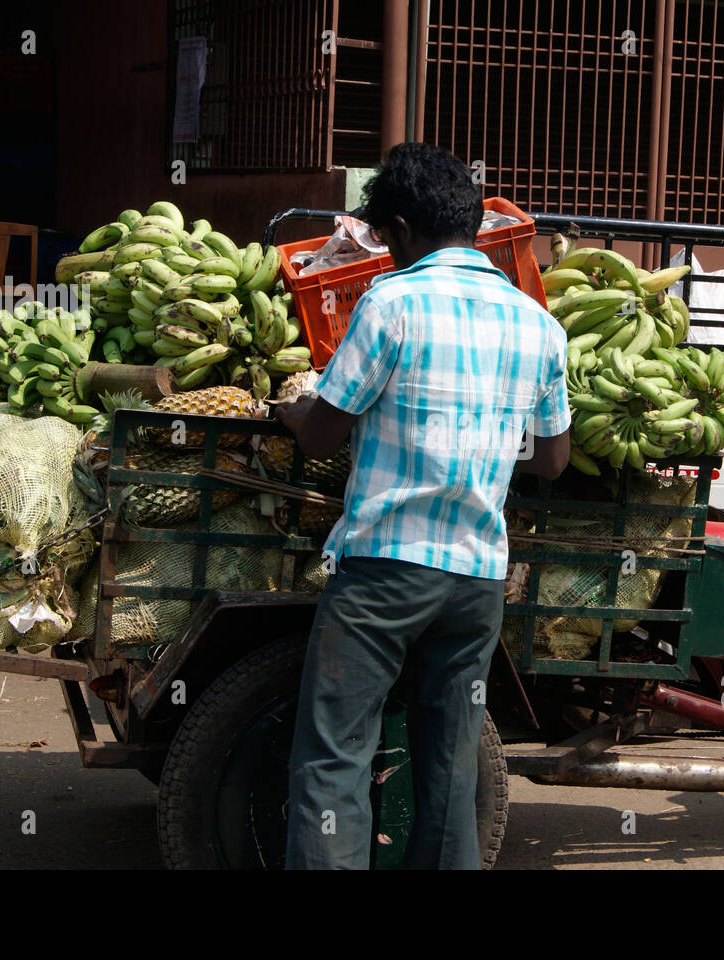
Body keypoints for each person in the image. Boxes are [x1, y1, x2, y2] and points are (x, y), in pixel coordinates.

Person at [274, 143, 570, 869]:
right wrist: (488, 440)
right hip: (474, 583)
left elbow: (320, 437)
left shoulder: (391, 303)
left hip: (383, 576)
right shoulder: (538, 325)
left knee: (335, 755)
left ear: (402, 228)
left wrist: (290, 409)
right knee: (449, 763)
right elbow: (553, 459)